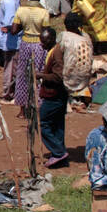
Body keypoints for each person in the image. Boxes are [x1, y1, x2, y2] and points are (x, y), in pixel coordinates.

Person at [10, 0, 50, 116]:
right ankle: (37, 106)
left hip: (25, 44)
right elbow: (46, 33)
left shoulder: (21, 10)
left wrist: (25, 26)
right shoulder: (44, 12)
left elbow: (14, 30)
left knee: (22, 75)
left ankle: (22, 110)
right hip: (39, 45)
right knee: (38, 75)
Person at [38, 26, 68, 167]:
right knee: (57, 125)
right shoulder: (53, 51)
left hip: (54, 95)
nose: (41, 44)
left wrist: (40, 75)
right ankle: (60, 155)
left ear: (51, 40)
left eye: (43, 42)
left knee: (42, 123)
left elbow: (57, 77)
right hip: (59, 95)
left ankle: (59, 152)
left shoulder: (56, 54)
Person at [0, 0, 27, 102]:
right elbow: (10, 24)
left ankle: (10, 91)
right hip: (11, 40)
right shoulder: (10, 1)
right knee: (11, 67)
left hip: (11, 39)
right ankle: (8, 93)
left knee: (12, 66)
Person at [58, 11, 94, 105]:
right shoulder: (86, 37)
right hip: (85, 79)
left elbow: (57, 55)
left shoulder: (64, 36)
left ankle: (68, 95)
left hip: (68, 80)